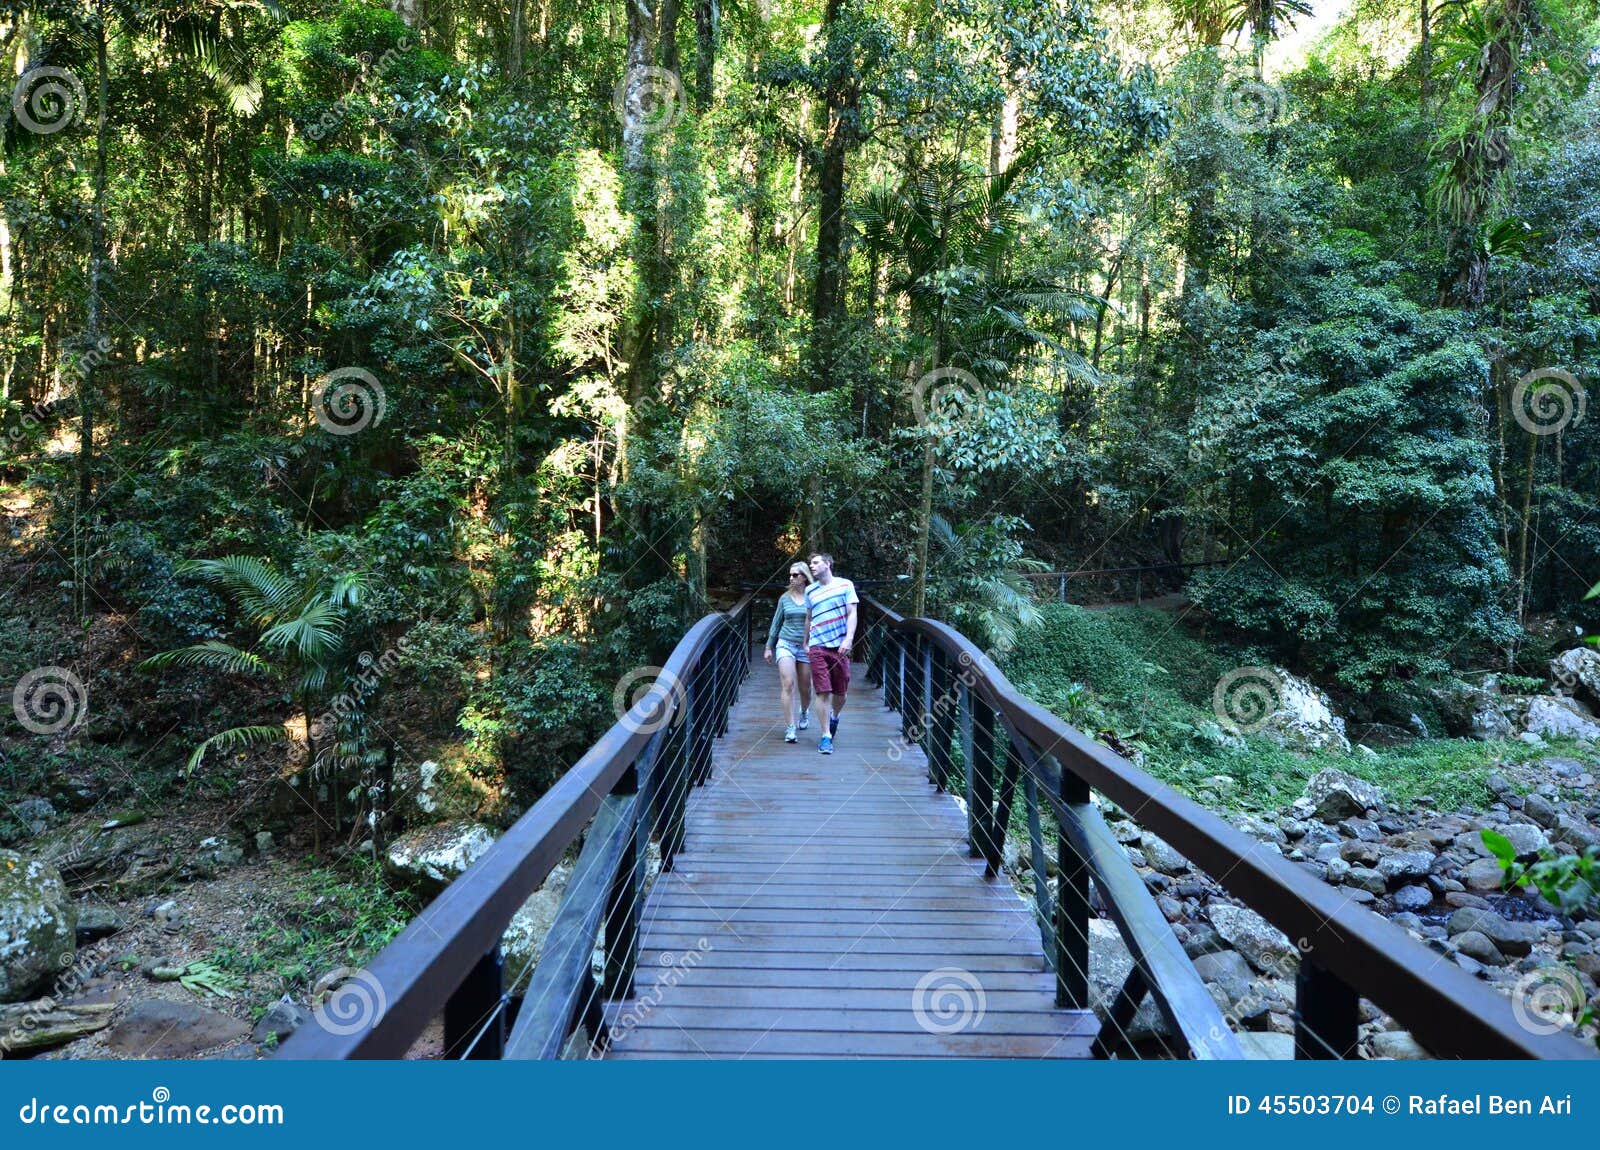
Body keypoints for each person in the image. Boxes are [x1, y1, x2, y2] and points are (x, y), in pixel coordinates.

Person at [803, 551, 858, 754]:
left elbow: (852, 613)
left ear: (828, 564)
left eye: (816, 562)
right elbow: (809, 618)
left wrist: (849, 639)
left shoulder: (845, 585)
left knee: (840, 692)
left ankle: (835, 717)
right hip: (817, 646)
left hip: (839, 646)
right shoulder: (810, 591)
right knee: (822, 691)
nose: (812, 566)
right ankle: (826, 736)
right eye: (811, 563)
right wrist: (805, 642)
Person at [763, 563, 815, 744]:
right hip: (785, 644)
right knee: (788, 683)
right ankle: (790, 727)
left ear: (804, 577)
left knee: (805, 687)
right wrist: (769, 646)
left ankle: (804, 711)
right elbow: (776, 623)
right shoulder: (784, 598)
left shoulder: (814, 596)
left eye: (795, 575)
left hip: (806, 647)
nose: (791, 578)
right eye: (790, 575)